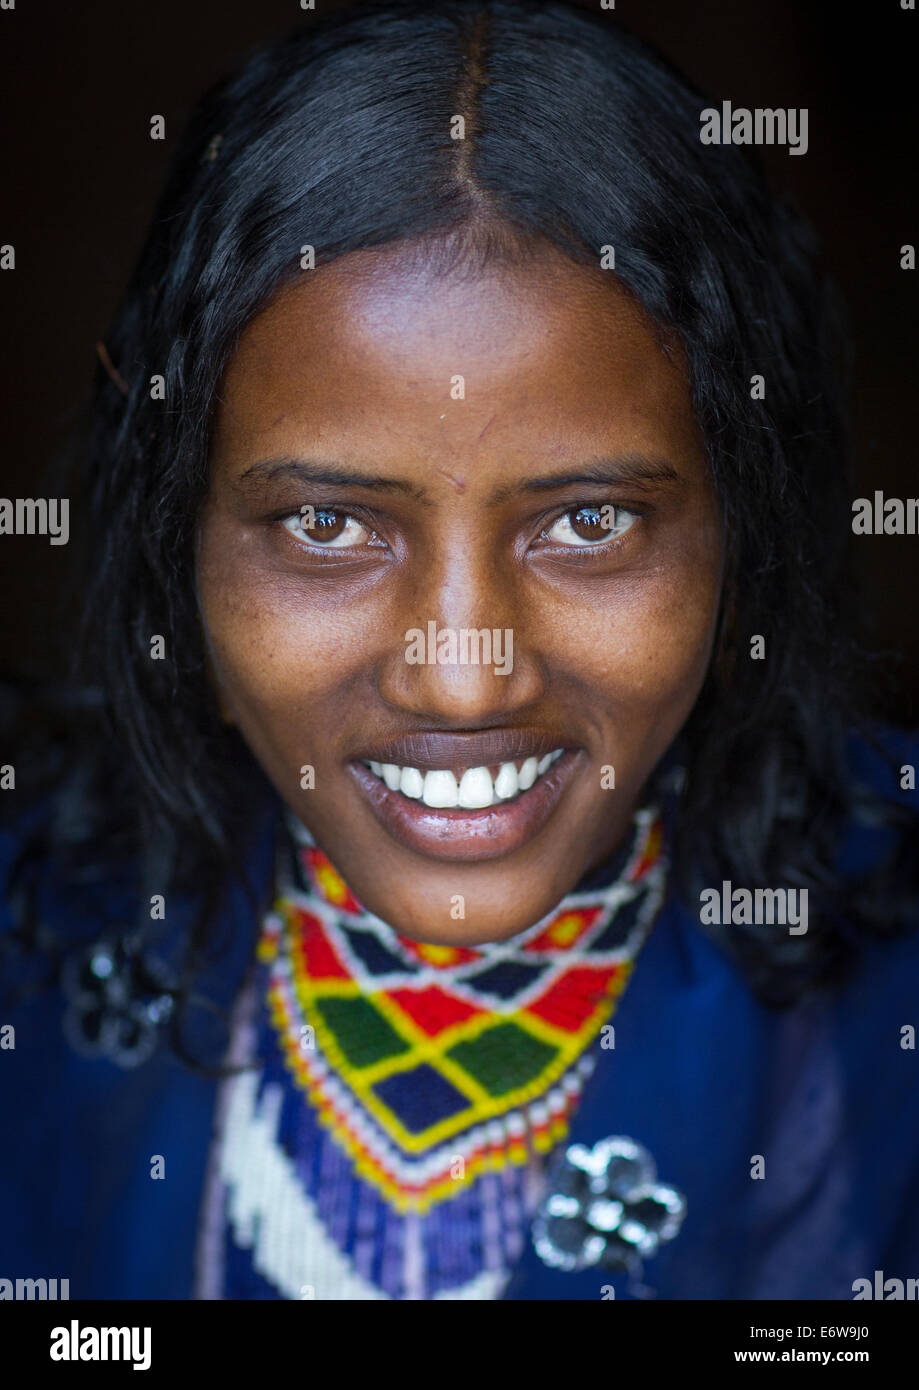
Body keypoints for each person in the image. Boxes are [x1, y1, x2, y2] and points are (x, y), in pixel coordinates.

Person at [2, 0, 917, 1302]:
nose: (464, 673)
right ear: (179, 535)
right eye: (326, 524)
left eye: (589, 522)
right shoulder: (29, 956)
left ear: (740, 524)